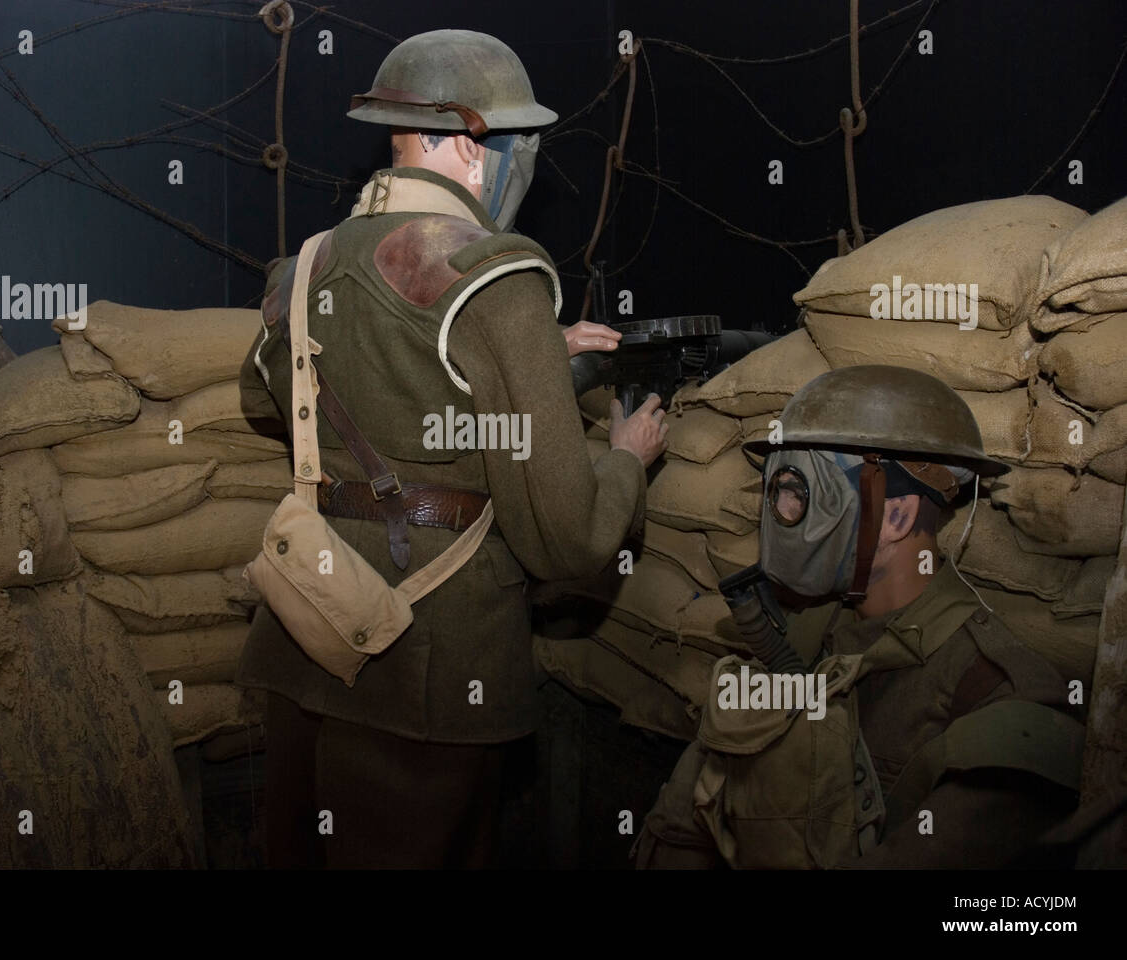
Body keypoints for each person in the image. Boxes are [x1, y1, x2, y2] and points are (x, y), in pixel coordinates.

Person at [236, 28, 668, 868]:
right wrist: (626, 459)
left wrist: (531, 362)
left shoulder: (304, 265)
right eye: (519, 143)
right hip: (431, 663)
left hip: (307, 636)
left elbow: (267, 399)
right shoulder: (495, 272)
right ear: (475, 145)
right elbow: (569, 536)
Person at [634, 364, 1084, 869]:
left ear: (896, 516)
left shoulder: (999, 695)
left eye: (800, 494)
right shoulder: (804, 632)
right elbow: (685, 823)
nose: (780, 512)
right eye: (779, 490)